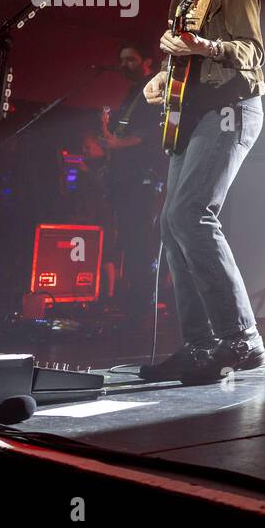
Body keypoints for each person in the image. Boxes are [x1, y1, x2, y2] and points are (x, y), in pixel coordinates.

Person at [138, 0, 265, 383]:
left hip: (230, 111)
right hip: (191, 116)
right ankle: (200, 346)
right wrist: (162, 77)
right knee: (174, 222)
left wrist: (202, 45)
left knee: (191, 213)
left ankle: (243, 338)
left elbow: (251, 54)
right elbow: (184, 59)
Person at [100, 41, 164, 327]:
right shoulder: (132, 93)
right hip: (124, 179)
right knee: (128, 242)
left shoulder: (155, 87)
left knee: (140, 243)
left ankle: (141, 307)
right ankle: (133, 304)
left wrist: (119, 142)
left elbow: (154, 130)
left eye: (130, 59)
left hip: (142, 179)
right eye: (122, 59)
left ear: (147, 60)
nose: (124, 64)